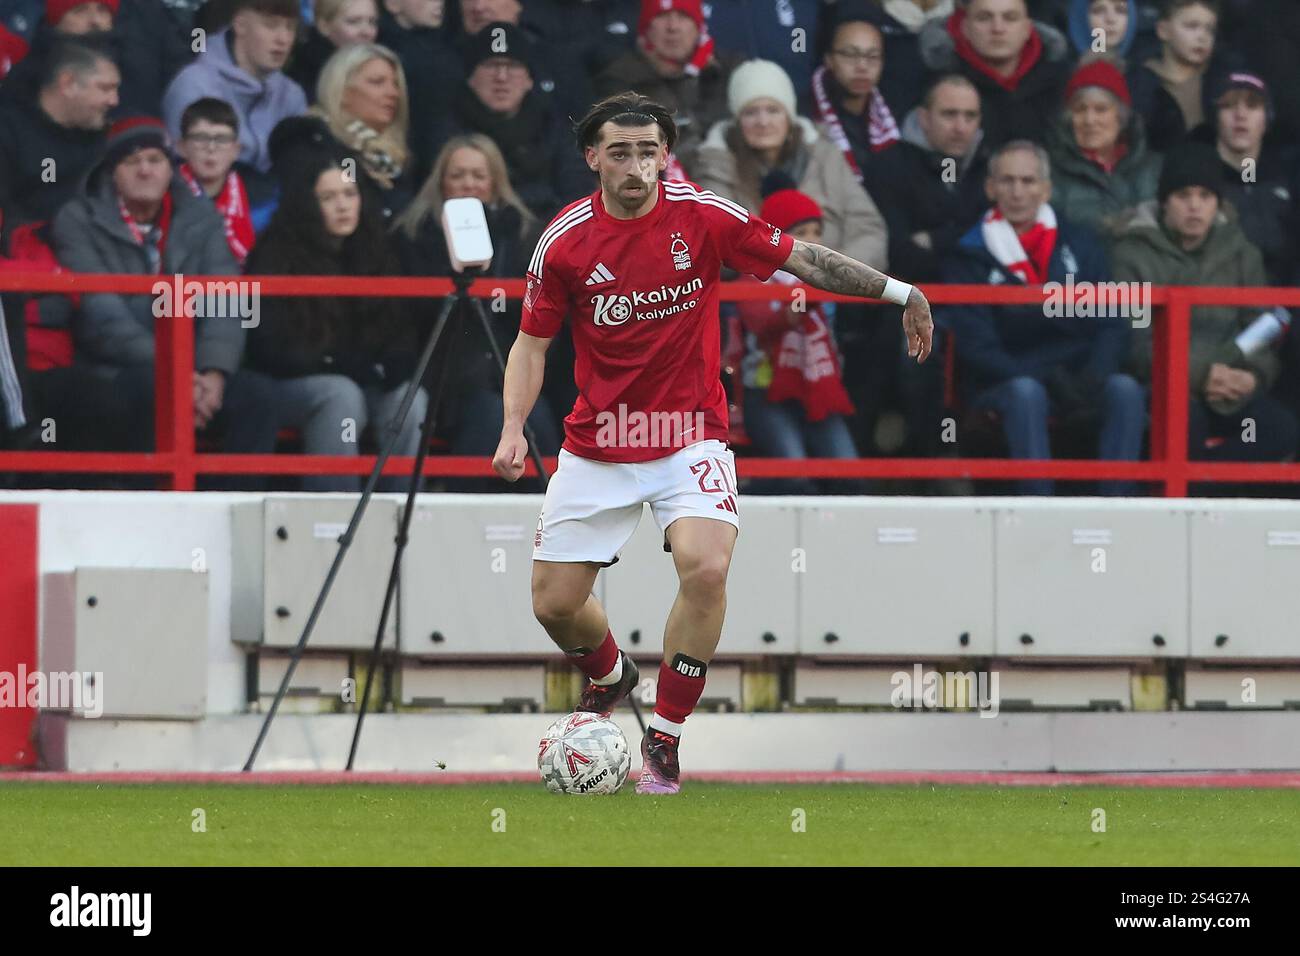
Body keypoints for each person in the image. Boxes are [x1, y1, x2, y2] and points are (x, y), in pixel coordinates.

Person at [490, 92, 933, 794]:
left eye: (647, 151)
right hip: (599, 441)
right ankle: (611, 677)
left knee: (705, 569)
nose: (635, 165)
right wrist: (514, 428)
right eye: (620, 151)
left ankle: (663, 739)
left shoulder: (704, 216)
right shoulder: (564, 241)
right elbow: (531, 344)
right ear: (592, 158)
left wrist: (900, 291)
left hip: (688, 432)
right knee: (553, 603)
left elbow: (804, 259)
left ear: (666, 155)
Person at [49, 116, 277, 459]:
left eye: (155, 160)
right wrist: (177, 373)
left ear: (171, 169)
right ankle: (142, 505)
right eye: (132, 161)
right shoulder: (78, 219)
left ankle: (229, 504)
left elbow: (226, 301)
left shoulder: (201, 216)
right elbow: (102, 315)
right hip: (118, 369)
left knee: (259, 397)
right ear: (112, 171)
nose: (145, 171)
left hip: (196, 369)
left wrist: (212, 373)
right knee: (149, 391)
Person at [939, 140, 1145, 495]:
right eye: (1007, 181)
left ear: (1046, 189)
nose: (1018, 192)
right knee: (1027, 393)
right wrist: (1041, 376)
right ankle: (1039, 509)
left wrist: (1094, 375)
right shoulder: (967, 253)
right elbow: (977, 345)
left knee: (1123, 389)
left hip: (1079, 378)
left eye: (1029, 181)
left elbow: (1112, 322)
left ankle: (1118, 508)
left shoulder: (1082, 243)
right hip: (1006, 382)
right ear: (991, 188)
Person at [243, 144, 428, 492]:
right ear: (308, 204)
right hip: (295, 383)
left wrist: (388, 367)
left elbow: (401, 332)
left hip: (364, 381)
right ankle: (334, 515)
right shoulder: (276, 254)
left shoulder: (380, 250)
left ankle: (402, 515)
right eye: (328, 197)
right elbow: (271, 347)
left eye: (349, 193)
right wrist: (339, 364)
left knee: (410, 399)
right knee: (339, 396)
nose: (343, 205)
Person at [1113, 141, 1298, 463]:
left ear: (1218, 204)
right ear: (1164, 202)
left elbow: (1261, 332)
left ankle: (1211, 493)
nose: (1195, 207)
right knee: (1186, 424)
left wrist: (1252, 377)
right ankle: (1200, 501)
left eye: (1205, 196)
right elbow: (1135, 343)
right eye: (1183, 196)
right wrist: (1201, 375)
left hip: (1232, 393)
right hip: (1163, 392)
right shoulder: (1132, 256)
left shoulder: (1243, 253)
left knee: (1275, 428)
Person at [393, 133, 562, 470]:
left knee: (539, 421)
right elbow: (410, 315)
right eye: (457, 175)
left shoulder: (524, 233)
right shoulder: (414, 233)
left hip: (507, 370)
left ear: (496, 181)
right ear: (441, 182)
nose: (468, 184)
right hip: (444, 372)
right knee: (486, 418)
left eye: (478, 175)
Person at [693, 59, 888, 272]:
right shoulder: (716, 165)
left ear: (789, 116)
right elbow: (714, 246)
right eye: (751, 112)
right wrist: (779, 277)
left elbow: (869, 231)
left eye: (773, 110)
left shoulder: (825, 156)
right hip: (758, 297)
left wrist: (831, 275)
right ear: (737, 121)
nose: (763, 122)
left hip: (836, 293)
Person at [729, 175, 859, 492]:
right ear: (776, 238)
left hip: (816, 389)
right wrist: (804, 301)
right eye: (801, 233)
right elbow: (766, 326)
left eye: (817, 233)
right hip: (766, 395)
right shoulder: (751, 281)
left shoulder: (823, 281)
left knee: (852, 478)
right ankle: (742, 492)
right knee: (795, 480)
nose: (813, 242)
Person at [161, 0, 307, 178]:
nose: (283, 39)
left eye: (290, 28)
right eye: (271, 25)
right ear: (240, 24)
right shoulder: (194, 85)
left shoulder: (292, 95)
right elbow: (183, 170)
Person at [592, 0, 735, 174]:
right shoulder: (620, 82)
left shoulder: (726, 73)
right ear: (646, 28)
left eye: (683, 16)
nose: (673, 27)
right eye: (661, 16)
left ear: (698, 27)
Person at [0, 40, 117, 239]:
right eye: (104, 88)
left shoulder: (106, 140)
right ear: (68, 84)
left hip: (95, 254)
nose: (114, 101)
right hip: (25, 256)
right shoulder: (8, 132)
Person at [917, 0, 1073, 150]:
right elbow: (940, 165)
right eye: (984, 18)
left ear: (1027, 28)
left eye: (1010, 18)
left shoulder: (1062, 78)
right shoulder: (934, 80)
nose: (997, 28)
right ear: (964, 27)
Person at [1047, 58, 1161, 242]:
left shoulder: (1154, 168)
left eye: (1101, 109)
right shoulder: (1051, 173)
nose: (1089, 120)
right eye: (1079, 110)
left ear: (1121, 116)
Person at [174, 97, 256, 266]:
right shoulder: (165, 197)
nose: (211, 148)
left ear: (236, 150)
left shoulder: (259, 198)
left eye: (222, 139)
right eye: (200, 138)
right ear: (182, 147)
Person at [286, 0, 379, 102]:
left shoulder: (380, 66)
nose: (366, 32)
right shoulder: (306, 75)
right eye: (353, 22)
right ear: (324, 26)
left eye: (372, 22)